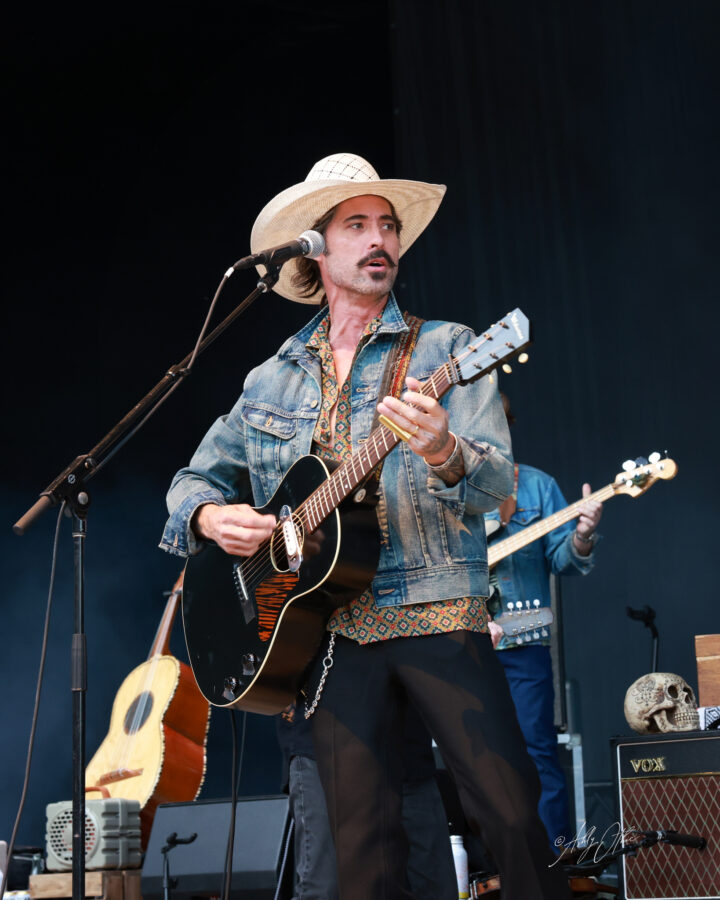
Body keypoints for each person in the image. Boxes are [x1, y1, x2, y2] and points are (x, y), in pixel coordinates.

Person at [160, 152, 572, 899]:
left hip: (435, 608)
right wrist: (214, 516)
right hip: (328, 633)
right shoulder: (272, 378)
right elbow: (192, 482)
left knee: (512, 818)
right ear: (316, 249)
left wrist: (444, 448)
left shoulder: (449, 348)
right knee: (359, 857)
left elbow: (496, 486)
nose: (380, 238)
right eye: (357, 224)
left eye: (388, 225)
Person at [485, 393, 603, 851]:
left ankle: (556, 863)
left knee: (537, 752)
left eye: (496, 422)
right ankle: (486, 868)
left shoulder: (536, 486)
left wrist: (584, 534)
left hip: (522, 642)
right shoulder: (439, 490)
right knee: (473, 761)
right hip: (460, 642)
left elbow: (563, 560)